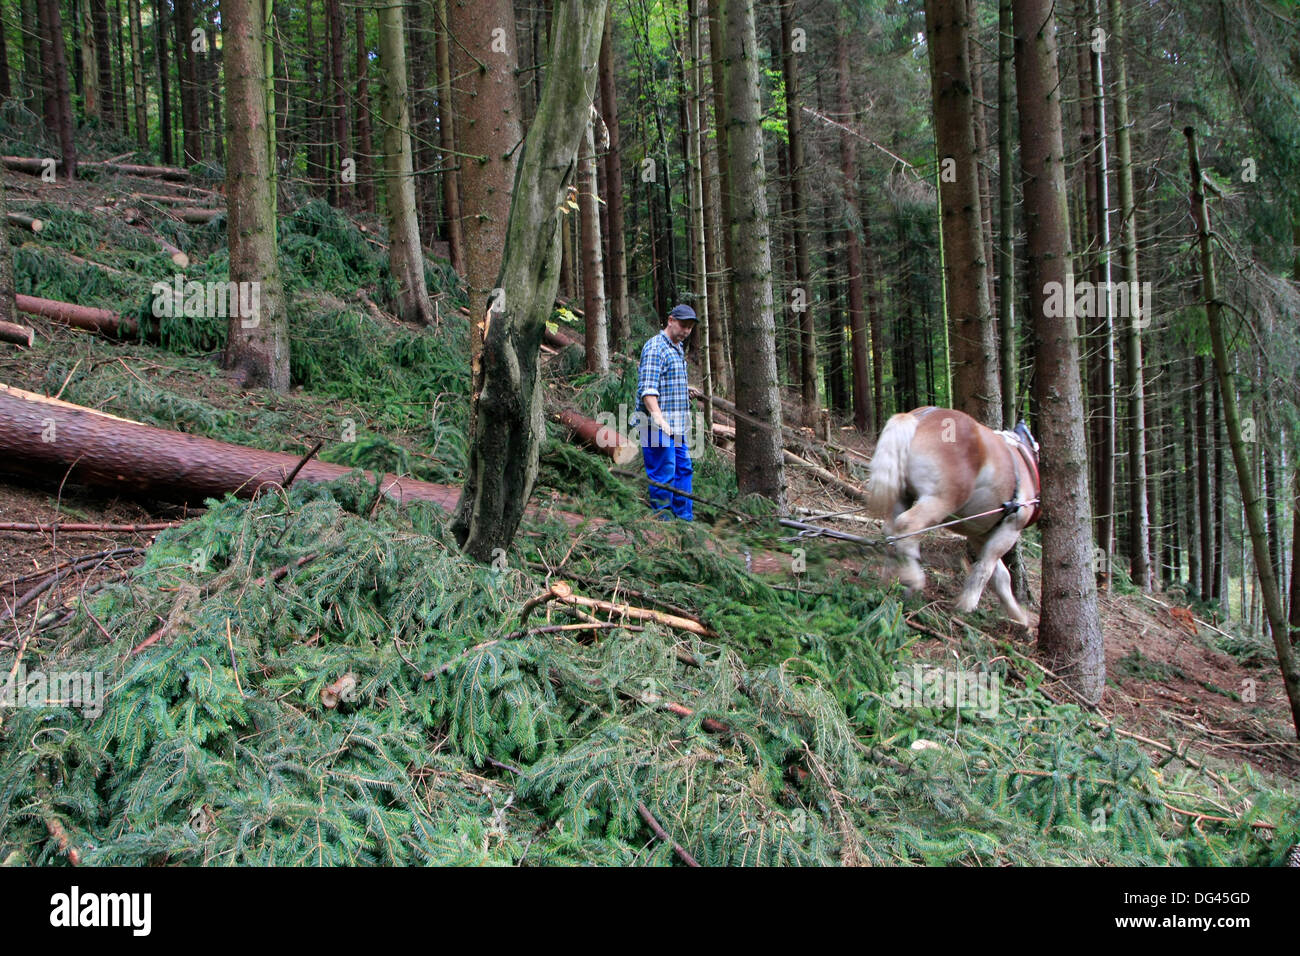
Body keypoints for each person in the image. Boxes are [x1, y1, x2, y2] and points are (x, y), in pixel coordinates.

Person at [637, 304, 697, 521]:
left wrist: (685, 390)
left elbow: (665, 381)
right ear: (671, 320)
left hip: (677, 425)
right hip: (656, 425)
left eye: (690, 327)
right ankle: (663, 525)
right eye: (683, 325)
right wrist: (659, 420)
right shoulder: (655, 348)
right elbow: (648, 391)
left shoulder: (676, 347)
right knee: (664, 472)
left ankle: (684, 520)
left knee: (684, 469)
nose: (686, 331)